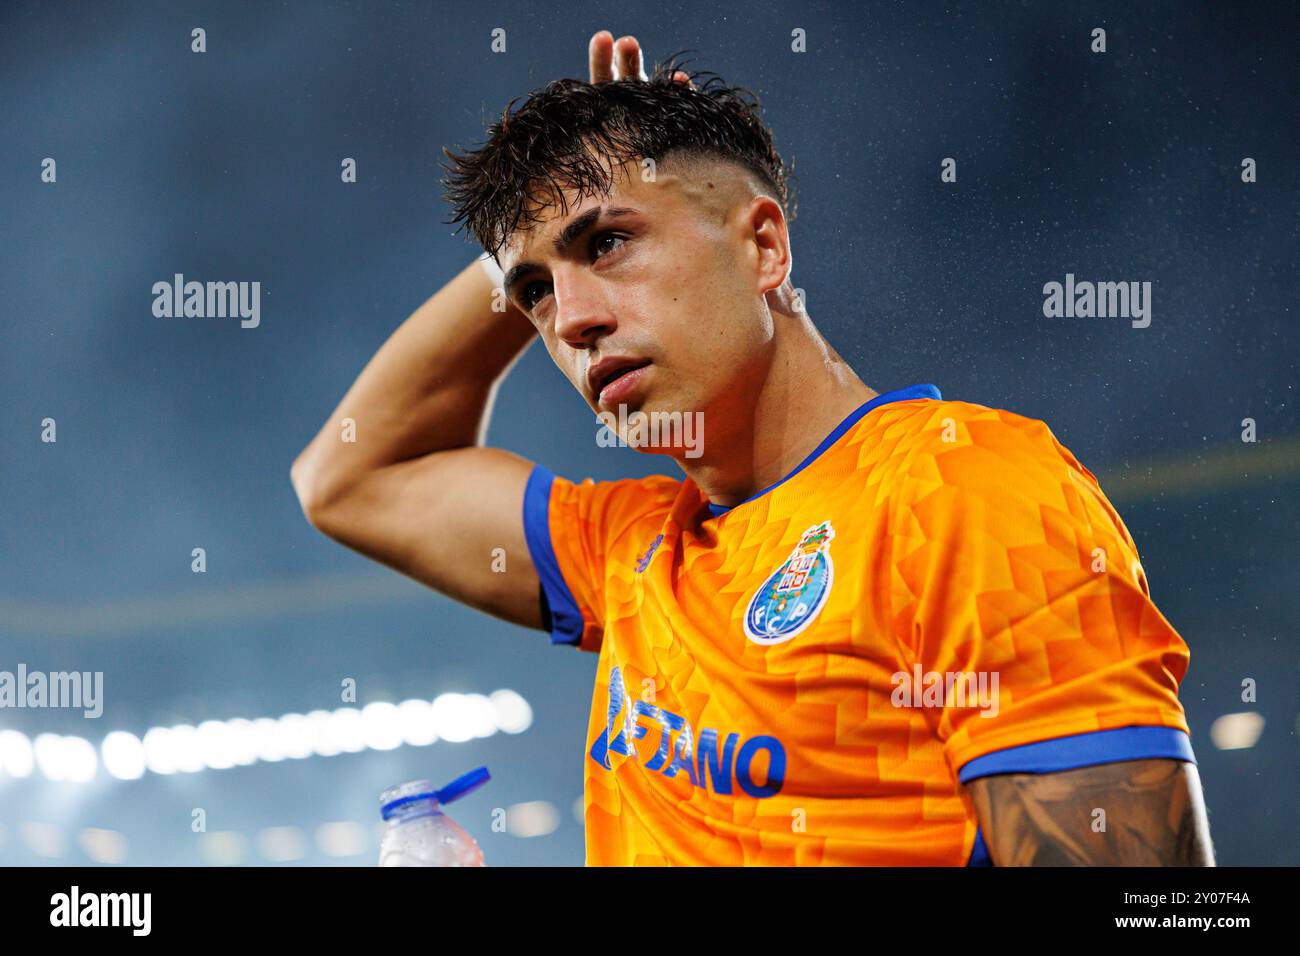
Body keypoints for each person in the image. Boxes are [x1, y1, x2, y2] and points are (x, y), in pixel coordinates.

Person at [291, 31, 1214, 865]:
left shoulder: (966, 493)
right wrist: (526, 230)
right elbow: (347, 475)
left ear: (764, 246)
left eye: (608, 243)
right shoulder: (634, 551)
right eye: (535, 291)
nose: (570, 321)